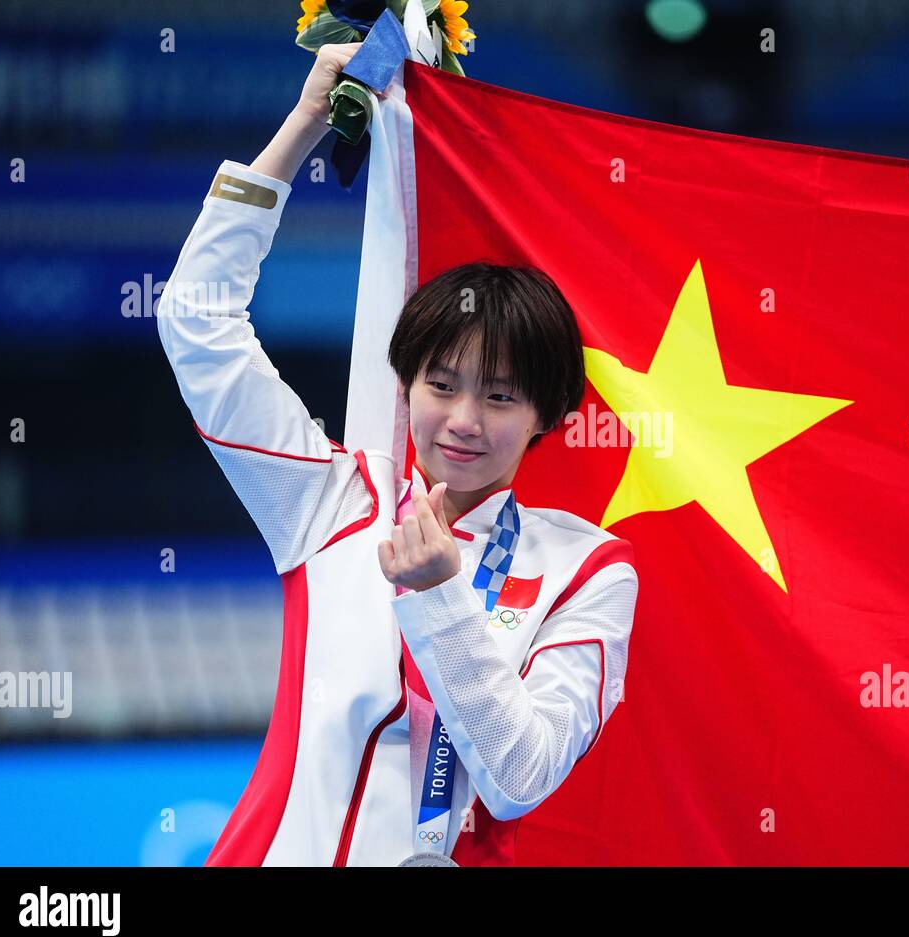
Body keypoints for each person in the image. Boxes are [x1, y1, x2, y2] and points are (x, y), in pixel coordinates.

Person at [155, 43, 638, 866]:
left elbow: (522, 773)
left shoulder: (590, 571)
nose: (462, 419)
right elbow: (198, 324)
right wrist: (306, 121)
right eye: (440, 384)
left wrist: (442, 597)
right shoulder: (332, 500)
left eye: (499, 396)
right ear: (405, 384)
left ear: (548, 415)